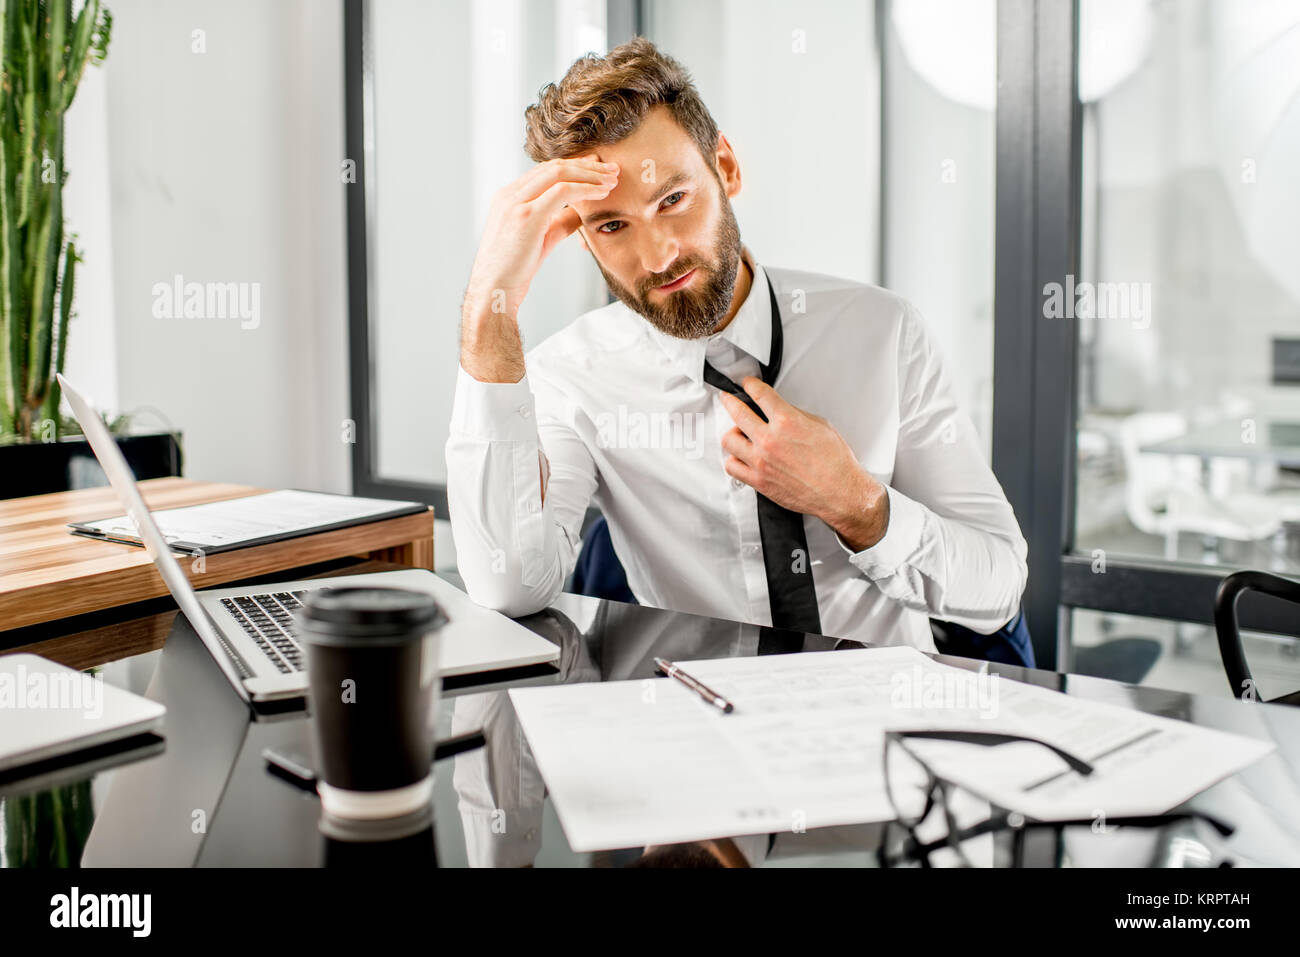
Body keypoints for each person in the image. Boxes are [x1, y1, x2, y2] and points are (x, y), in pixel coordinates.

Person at [446, 38, 1026, 652]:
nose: (659, 255)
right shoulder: (571, 376)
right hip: (699, 719)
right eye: (612, 225)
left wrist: (856, 504)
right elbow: (513, 588)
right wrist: (490, 310)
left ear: (725, 167)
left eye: (673, 199)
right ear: (583, 240)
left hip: (882, 723)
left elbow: (999, 588)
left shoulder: (883, 332)